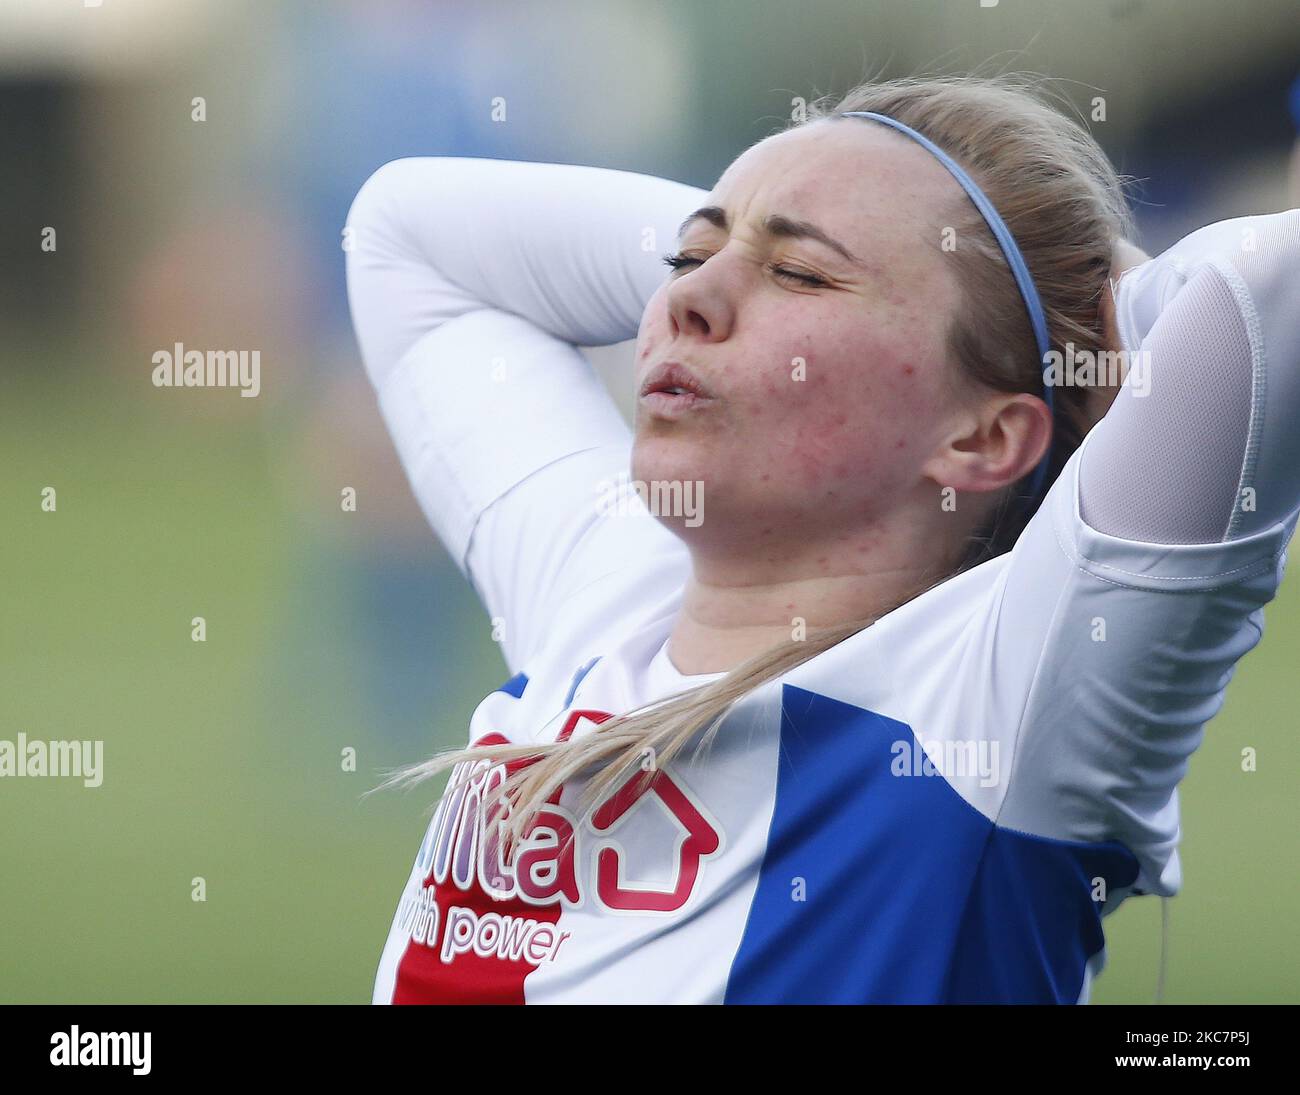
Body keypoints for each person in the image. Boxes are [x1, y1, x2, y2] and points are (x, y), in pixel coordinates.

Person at [344, 74, 1300, 1004]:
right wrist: (806, 236)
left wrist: (1064, 322)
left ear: (983, 437)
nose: (682, 304)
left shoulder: (998, 703)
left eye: (801, 275)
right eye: (683, 262)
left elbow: (1261, 287)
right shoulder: (605, 597)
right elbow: (407, 231)